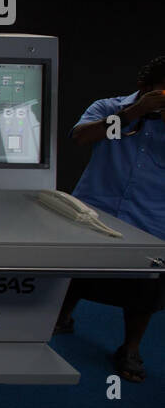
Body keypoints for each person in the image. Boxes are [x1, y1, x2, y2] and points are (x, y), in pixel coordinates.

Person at [54, 55, 165, 382]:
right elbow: (81, 137)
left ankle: (130, 349)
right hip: (94, 209)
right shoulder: (110, 107)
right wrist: (136, 113)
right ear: (144, 88)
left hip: (150, 217)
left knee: (146, 291)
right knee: (71, 274)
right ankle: (61, 317)